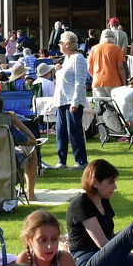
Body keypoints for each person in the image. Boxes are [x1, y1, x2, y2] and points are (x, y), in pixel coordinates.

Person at [49, 32, 90, 169]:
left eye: (61, 42)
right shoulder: (65, 59)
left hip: (72, 100)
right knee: (60, 132)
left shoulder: (78, 58)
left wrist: (75, 102)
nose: (59, 45)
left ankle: (81, 161)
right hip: (61, 100)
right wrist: (58, 70)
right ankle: (62, 160)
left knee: (74, 131)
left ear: (68, 44)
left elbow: (80, 81)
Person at [88, 28, 127, 94]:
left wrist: (95, 76)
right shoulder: (117, 49)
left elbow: (89, 67)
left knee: (100, 103)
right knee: (114, 103)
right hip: (114, 82)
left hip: (97, 81)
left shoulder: (94, 49)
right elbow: (121, 68)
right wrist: (124, 83)